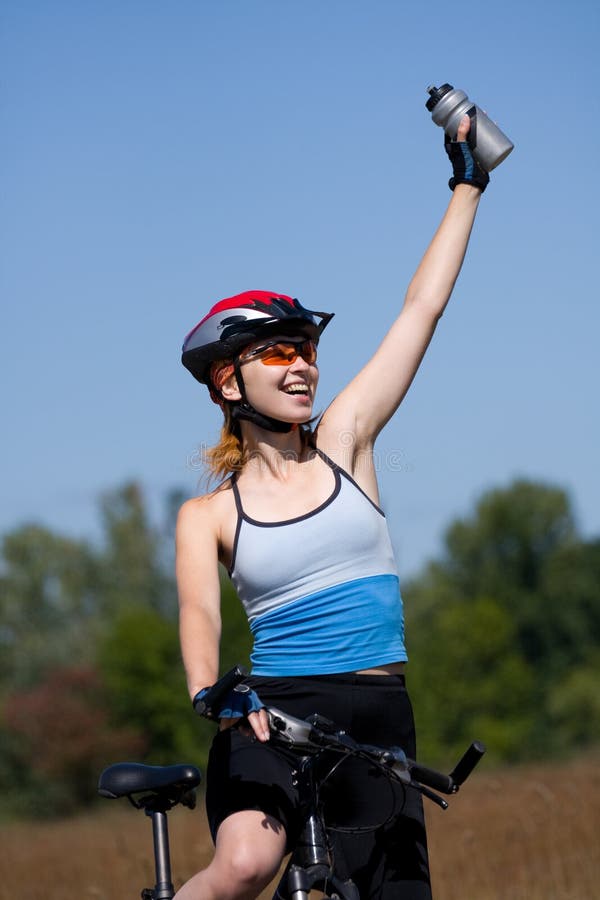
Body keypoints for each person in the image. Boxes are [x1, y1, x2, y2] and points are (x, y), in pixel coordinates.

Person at [175, 115, 489, 900]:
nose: (302, 365)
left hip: (380, 714)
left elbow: (422, 309)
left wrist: (468, 183)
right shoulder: (208, 515)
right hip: (270, 718)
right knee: (246, 862)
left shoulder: (346, 443)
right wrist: (213, 692)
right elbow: (200, 615)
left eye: (307, 349)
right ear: (226, 381)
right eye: (277, 351)